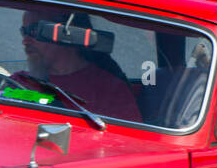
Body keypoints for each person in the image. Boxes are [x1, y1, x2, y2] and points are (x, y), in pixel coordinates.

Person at [11, 7, 142, 122]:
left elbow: (130, 144)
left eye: (34, 31)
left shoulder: (110, 90)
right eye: (24, 32)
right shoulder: (18, 82)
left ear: (67, 33)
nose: (25, 41)